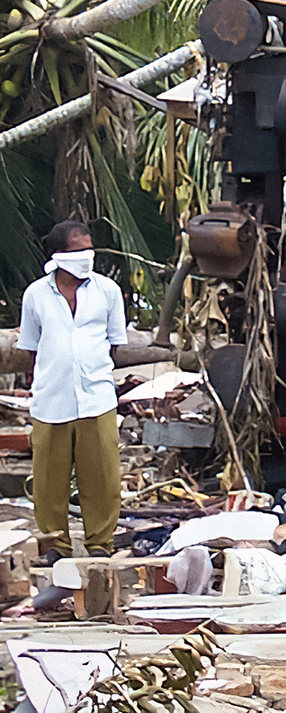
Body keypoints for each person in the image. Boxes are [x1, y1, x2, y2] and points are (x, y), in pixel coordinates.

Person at [18, 221, 127, 564]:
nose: (87, 256)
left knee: (102, 476)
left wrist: (93, 369)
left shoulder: (107, 291)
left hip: (97, 397)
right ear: (58, 255)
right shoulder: (36, 294)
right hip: (52, 398)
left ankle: (100, 543)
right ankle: (55, 545)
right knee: (49, 479)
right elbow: (31, 347)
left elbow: (114, 344)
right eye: (78, 251)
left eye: (89, 249)